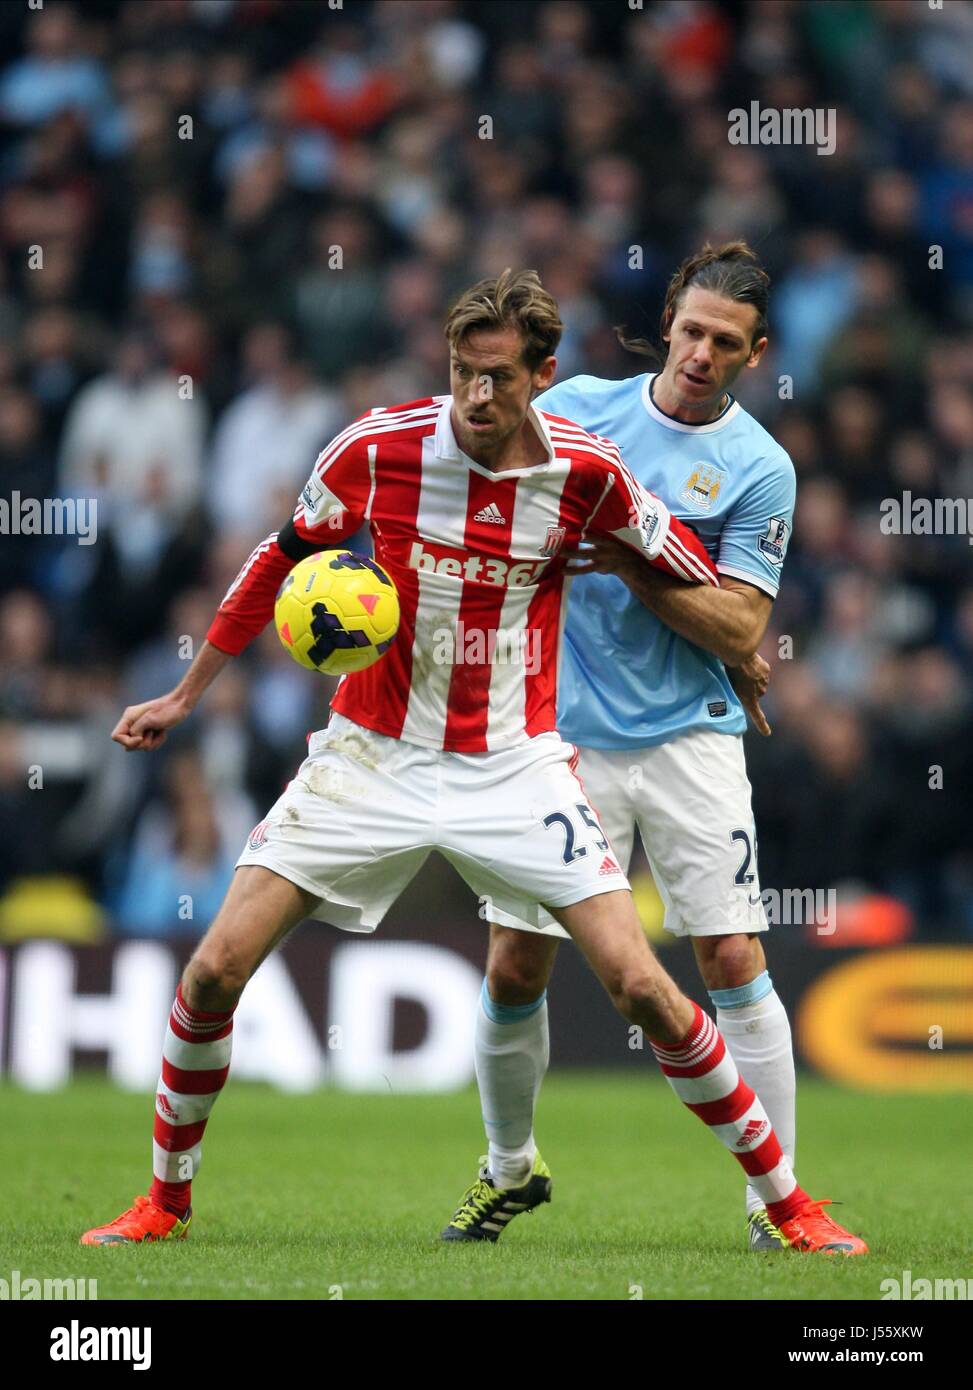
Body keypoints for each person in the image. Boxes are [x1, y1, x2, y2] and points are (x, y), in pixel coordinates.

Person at [80, 269, 864, 1256]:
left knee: (640, 984)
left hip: (515, 762)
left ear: (543, 374)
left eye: (498, 377)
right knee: (211, 974)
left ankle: (787, 1205)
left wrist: (744, 654)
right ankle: (165, 1201)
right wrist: (184, 695)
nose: (477, 397)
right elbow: (282, 554)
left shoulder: (587, 473)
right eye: (462, 372)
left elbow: (685, 569)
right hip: (372, 750)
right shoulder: (377, 445)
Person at [442, 244, 825, 1254]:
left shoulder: (759, 468)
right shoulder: (579, 417)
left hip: (690, 740)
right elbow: (484, 491)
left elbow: (742, 629)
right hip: (557, 738)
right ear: (668, 319)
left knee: (732, 953)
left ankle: (772, 1202)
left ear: (756, 355)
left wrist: (630, 563)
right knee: (517, 956)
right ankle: (506, 1167)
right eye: (692, 331)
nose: (702, 354)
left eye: (726, 344)